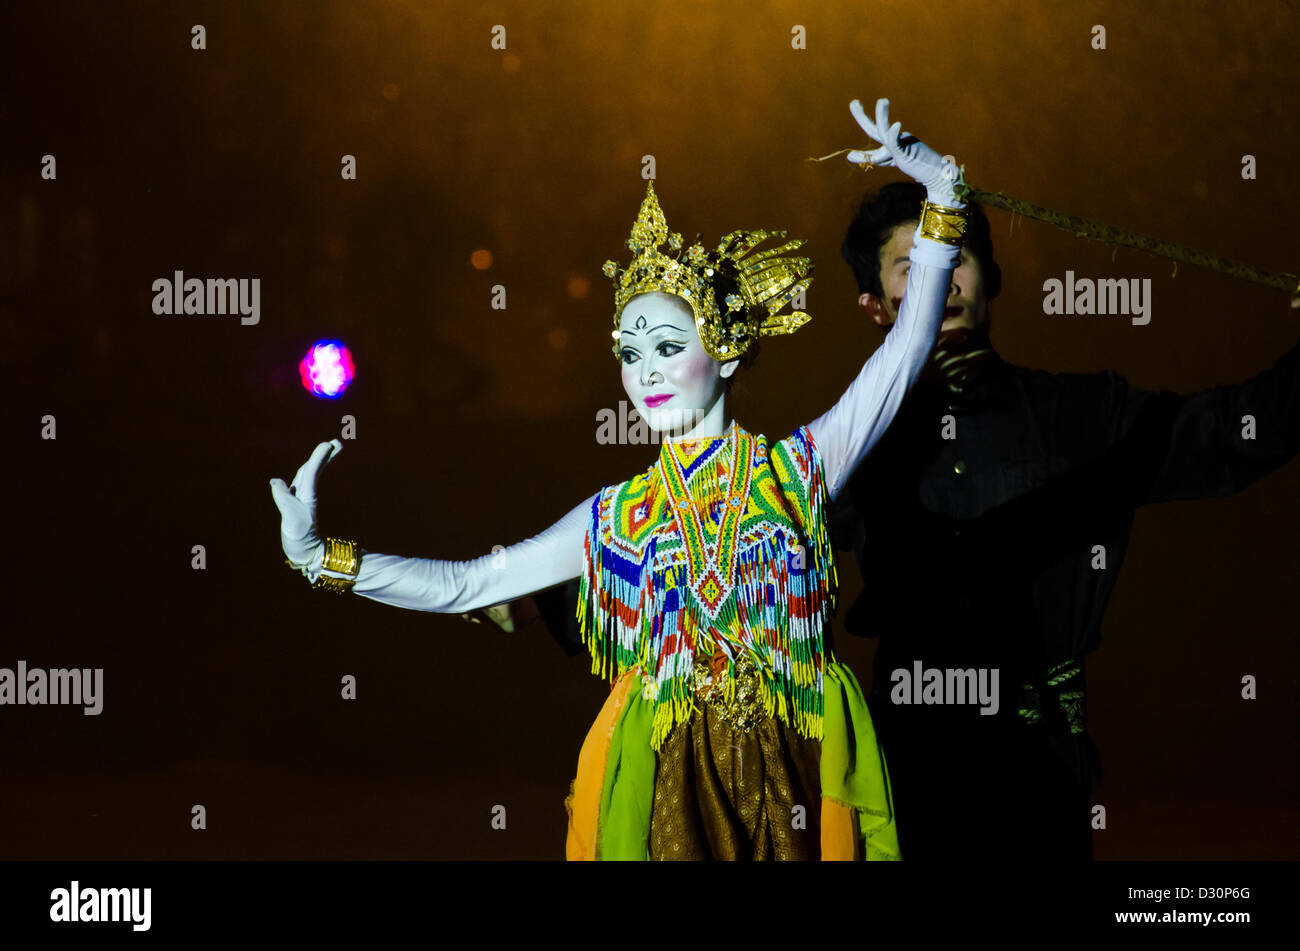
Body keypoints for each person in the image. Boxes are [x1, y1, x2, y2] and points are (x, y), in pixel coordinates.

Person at [271, 98, 971, 860]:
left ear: (728, 352)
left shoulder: (798, 468)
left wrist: (943, 194)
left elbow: (905, 352)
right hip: (667, 785)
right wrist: (318, 557)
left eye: (668, 345)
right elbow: (472, 583)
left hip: (793, 776)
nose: (646, 374)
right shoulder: (617, 516)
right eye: (629, 354)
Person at [828, 176, 1300, 861]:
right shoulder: (850, 448)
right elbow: (759, 552)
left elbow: (1236, 433)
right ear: (874, 305)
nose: (943, 282)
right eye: (913, 266)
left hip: (1040, 769)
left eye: (955, 258)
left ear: (991, 275)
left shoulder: (1083, 415)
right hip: (909, 770)